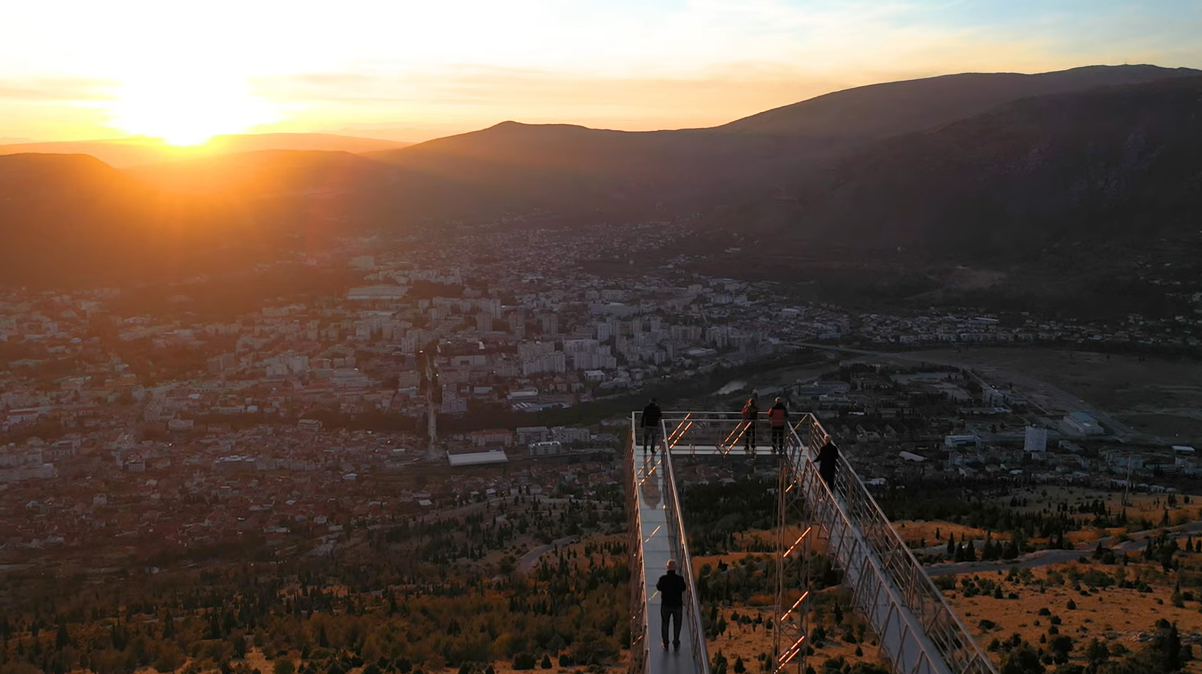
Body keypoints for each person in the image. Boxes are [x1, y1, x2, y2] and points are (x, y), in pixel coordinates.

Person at [656, 559, 687, 651]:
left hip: (666, 605)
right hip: (677, 606)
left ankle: (665, 644)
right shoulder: (680, 579)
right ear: (675, 568)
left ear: (667, 568)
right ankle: (676, 643)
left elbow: (658, 587)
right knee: (677, 625)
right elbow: (684, 588)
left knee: (665, 624)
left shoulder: (663, 579)